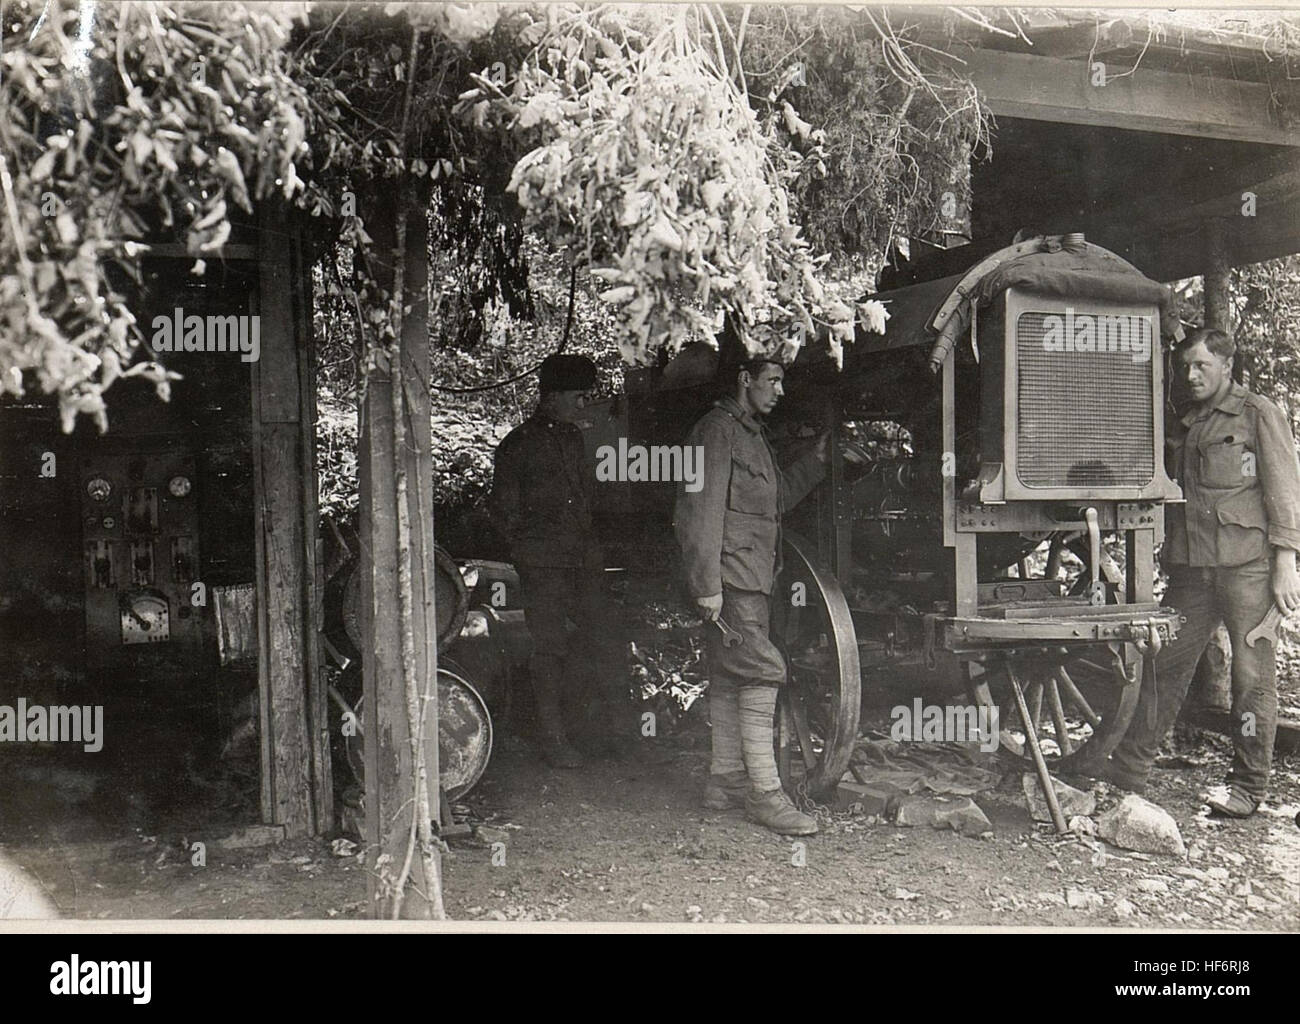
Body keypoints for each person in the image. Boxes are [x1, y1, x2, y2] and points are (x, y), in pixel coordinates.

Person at [1103, 328, 1300, 816]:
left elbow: (1284, 490)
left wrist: (1286, 561)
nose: (1189, 375)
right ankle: (1128, 769)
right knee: (1163, 668)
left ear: (1226, 366)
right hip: (1193, 573)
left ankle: (1248, 787)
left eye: (1201, 366)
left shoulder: (1257, 414)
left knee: (1251, 680)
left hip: (1249, 571)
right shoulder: (1183, 422)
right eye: (1184, 367)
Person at [674, 356, 828, 835]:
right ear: (745, 379)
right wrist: (706, 587)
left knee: (727, 674)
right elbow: (697, 512)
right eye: (773, 381)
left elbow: (773, 501)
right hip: (729, 580)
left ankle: (724, 781)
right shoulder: (715, 432)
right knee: (764, 668)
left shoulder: (751, 434)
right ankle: (764, 794)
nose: (780, 391)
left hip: (754, 576)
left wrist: (818, 462)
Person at [489, 354, 628, 768]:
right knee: (549, 648)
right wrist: (529, 552)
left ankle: (611, 735)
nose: (583, 406)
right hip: (544, 562)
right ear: (552, 397)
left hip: (582, 558)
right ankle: (553, 740)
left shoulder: (572, 438)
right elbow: (502, 510)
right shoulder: (517, 445)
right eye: (577, 397)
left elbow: (585, 497)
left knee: (604, 635)